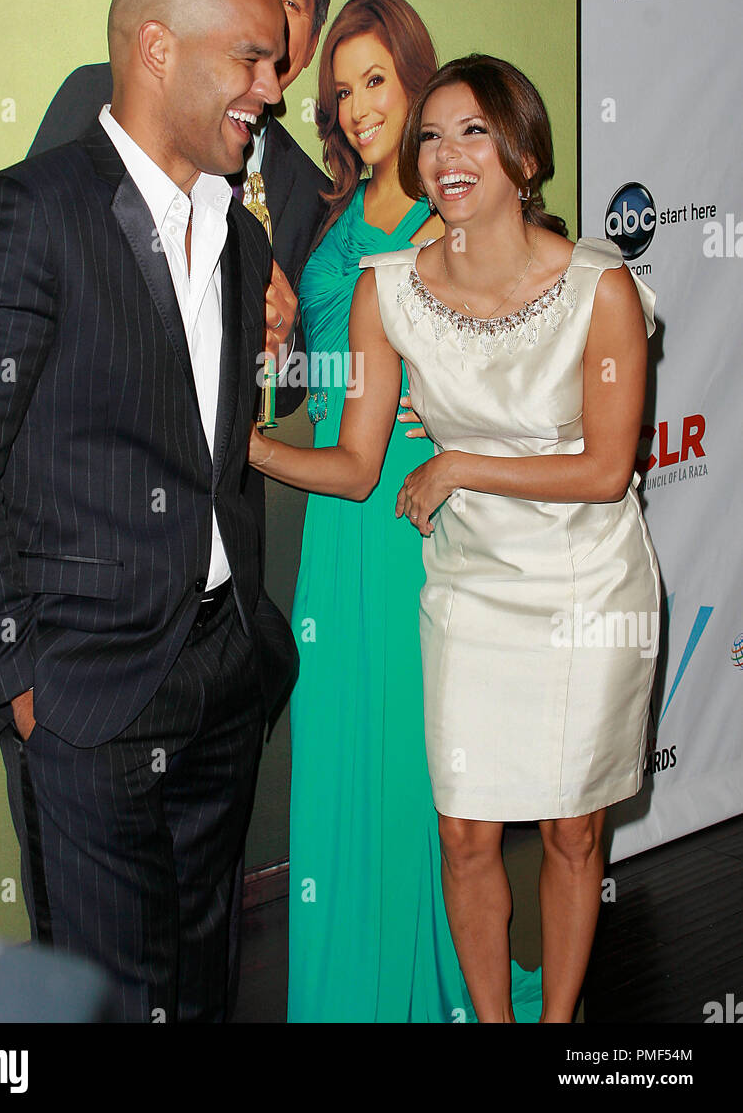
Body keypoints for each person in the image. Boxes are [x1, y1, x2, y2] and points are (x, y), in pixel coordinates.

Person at [0, 0, 299, 1023]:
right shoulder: (24, 213)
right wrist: (14, 682)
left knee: (206, 977)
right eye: (254, 59)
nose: (275, 87)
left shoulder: (235, 230)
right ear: (158, 50)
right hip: (84, 700)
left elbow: (219, 432)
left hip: (222, 672)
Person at [250, 53, 658, 1023]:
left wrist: (461, 463)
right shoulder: (386, 289)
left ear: (520, 152)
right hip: (467, 594)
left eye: (471, 131)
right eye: (431, 136)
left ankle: (557, 1025)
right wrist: (247, 447)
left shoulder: (598, 287)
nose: (444, 154)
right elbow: (354, 466)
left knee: (570, 831)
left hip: (584, 586)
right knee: (465, 835)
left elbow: (605, 471)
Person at [279, 0, 540, 1022]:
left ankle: (414, 990)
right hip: (334, 533)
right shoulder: (332, 219)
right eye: (339, 90)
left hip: (407, 522)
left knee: (409, 773)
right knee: (341, 758)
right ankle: (349, 990)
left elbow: (523, 369)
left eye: (374, 80)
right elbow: (320, 372)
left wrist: (459, 437)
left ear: (417, 80)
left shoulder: (451, 216)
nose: (352, 107)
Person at [28, 0, 336, 389]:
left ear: (309, 45)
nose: (270, 17)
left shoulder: (314, 197)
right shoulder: (93, 98)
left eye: (290, 2)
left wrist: (282, 351)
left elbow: (294, 397)